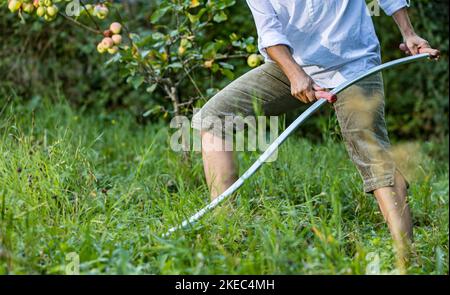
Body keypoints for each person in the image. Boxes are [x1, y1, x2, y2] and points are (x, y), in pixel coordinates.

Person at [191, 0, 440, 271]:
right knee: (214, 117)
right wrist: (296, 74)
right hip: (290, 64)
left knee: (372, 154)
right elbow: (270, 30)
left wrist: (409, 32)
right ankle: (227, 229)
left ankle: (407, 258)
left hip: (354, 64)